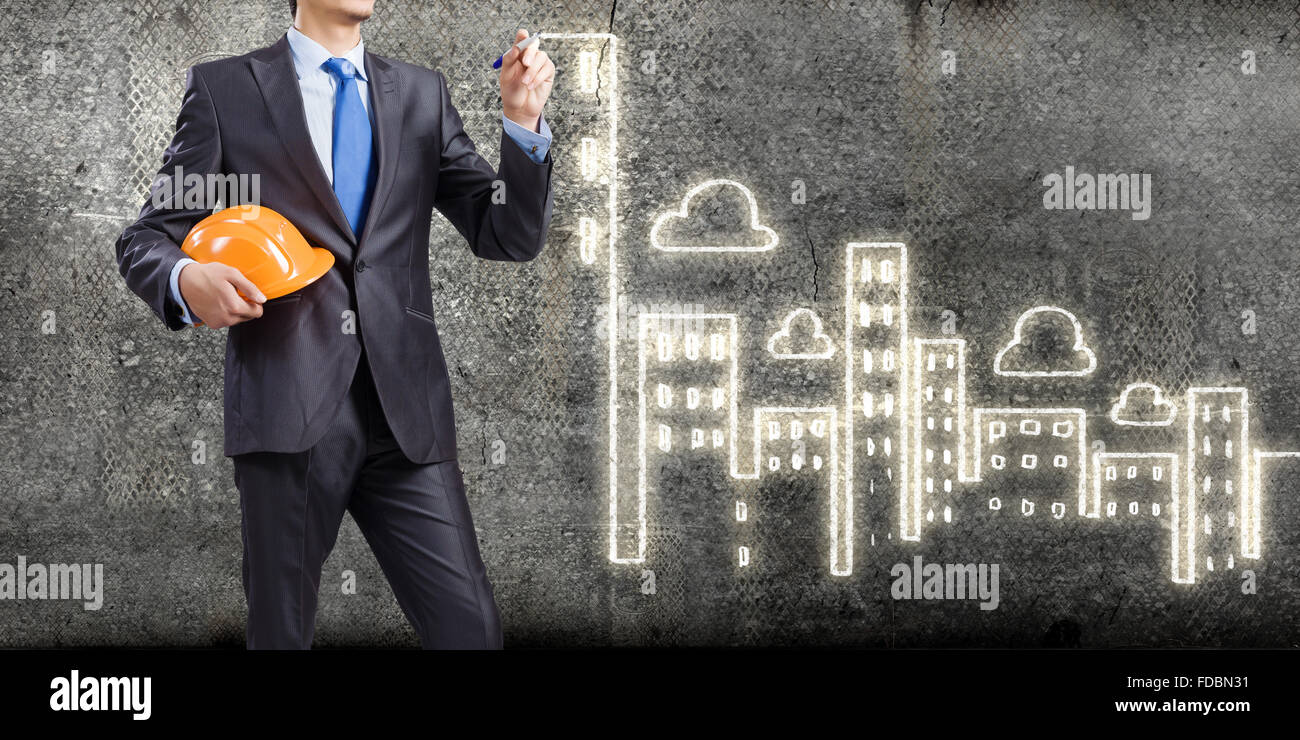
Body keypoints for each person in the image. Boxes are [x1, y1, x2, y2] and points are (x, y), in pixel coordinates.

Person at [114, 0, 556, 649]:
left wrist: (521, 122)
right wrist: (185, 278)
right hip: (286, 409)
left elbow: (506, 232)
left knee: (470, 631)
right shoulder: (227, 91)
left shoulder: (419, 95)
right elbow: (147, 235)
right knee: (281, 635)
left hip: (407, 416)